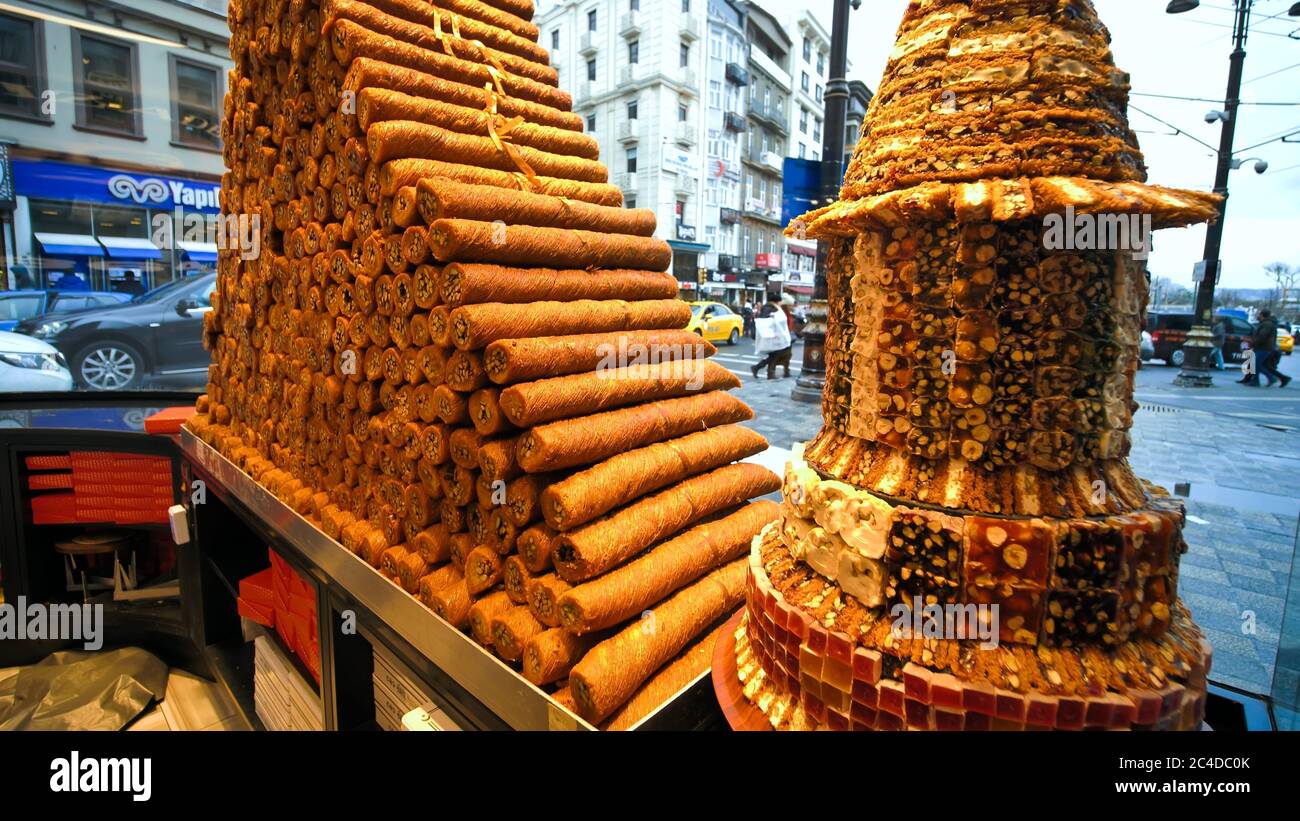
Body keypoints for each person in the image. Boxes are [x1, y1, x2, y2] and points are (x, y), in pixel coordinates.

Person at [751, 298, 793, 379]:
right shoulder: (769, 308)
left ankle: (761, 369)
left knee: (779, 354)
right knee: (776, 354)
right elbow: (765, 320)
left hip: (778, 336)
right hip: (772, 336)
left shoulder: (775, 307)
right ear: (776, 301)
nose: (781, 303)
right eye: (779, 301)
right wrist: (773, 317)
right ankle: (769, 372)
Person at [1250, 310, 1288, 388]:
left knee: (1256, 364)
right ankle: (1279, 378)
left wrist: (1254, 342)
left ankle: (1260, 380)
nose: (1257, 316)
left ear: (1262, 315)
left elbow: (1262, 336)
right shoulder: (1266, 323)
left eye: (1259, 314)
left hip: (1264, 347)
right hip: (1265, 347)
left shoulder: (1267, 324)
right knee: (1262, 365)